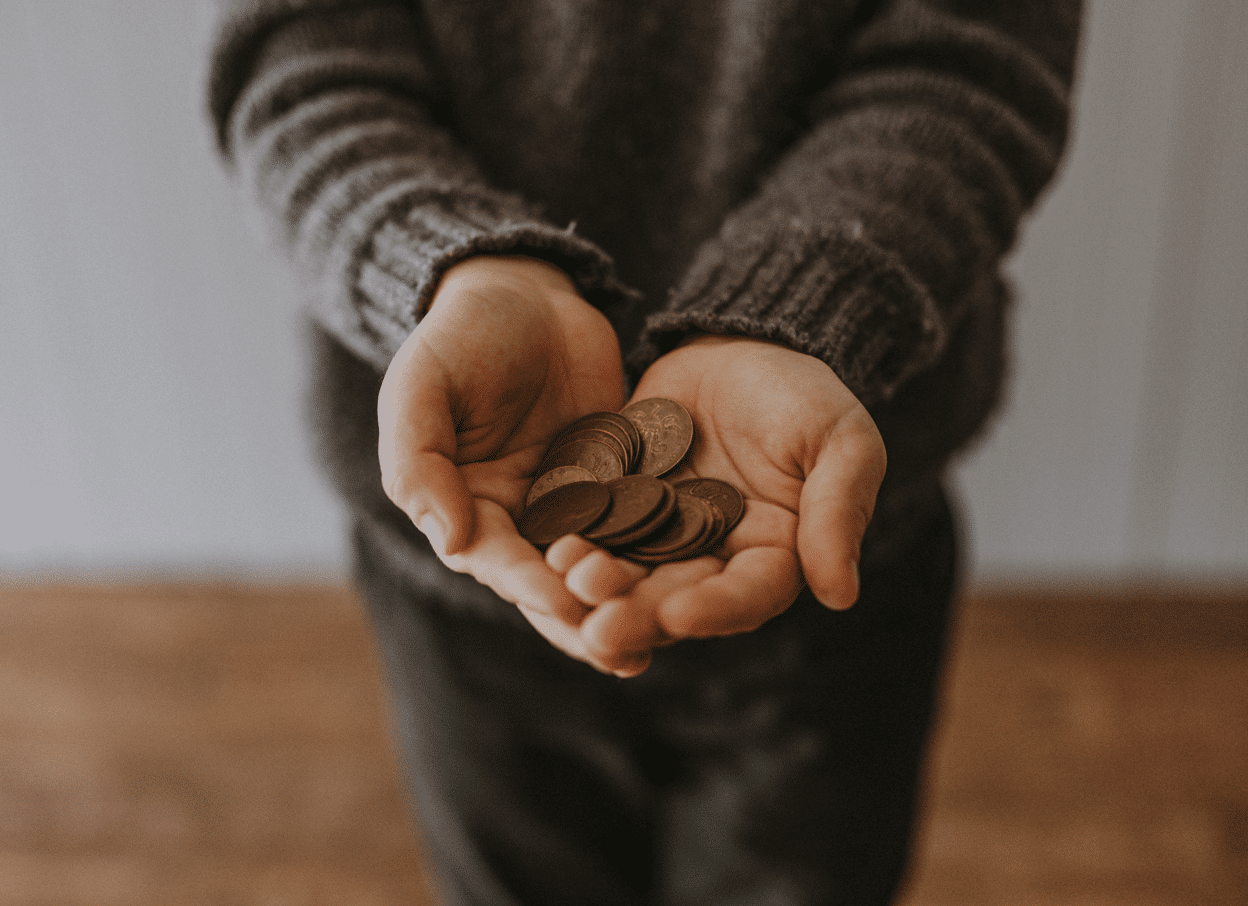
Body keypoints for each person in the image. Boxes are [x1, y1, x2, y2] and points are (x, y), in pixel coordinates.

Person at [209, 1, 1080, 903]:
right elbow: (295, 65)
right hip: (466, 566)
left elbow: (967, 65)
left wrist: (805, 306)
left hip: (826, 540)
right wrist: (448, 265)